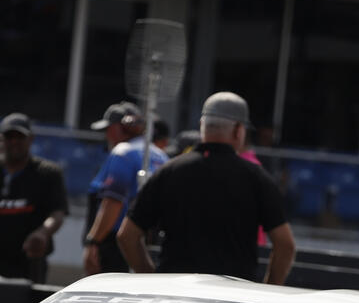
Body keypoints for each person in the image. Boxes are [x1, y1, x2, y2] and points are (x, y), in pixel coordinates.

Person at [118, 91, 295, 284]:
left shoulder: (169, 172)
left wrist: (152, 279)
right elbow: (285, 245)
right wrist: (266, 294)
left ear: (202, 126)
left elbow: (128, 235)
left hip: (175, 294)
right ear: (238, 130)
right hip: (234, 298)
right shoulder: (256, 177)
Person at [0, 112, 68, 282]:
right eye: (9, 137)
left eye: (20, 137)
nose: (14, 142)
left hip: (28, 267)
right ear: (1, 139)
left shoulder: (48, 173)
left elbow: (58, 213)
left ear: (31, 139)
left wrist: (43, 233)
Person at [83, 101, 166, 275]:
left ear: (118, 128)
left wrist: (93, 242)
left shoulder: (123, 153)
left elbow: (113, 203)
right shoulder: (161, 156)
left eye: (108, 128)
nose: (106, 135)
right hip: (151, 245)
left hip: (115, 246)